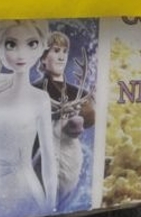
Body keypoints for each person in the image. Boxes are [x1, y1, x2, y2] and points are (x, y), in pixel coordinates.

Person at [0, 19, 58, 217]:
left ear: (41, 46)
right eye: (11, 44)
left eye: (31, 44)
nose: (20, 54)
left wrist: (51, 205)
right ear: (0, 48)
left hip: (30, 193)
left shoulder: (40, 99)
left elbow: (49, 159)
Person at [33, 30, 95, 203]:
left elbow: (89, 118)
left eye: (64, 52)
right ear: (43, 57)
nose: (61, 57)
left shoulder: (79, 93)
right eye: (55, 51)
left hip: (69, 155)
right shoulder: (33, 91)